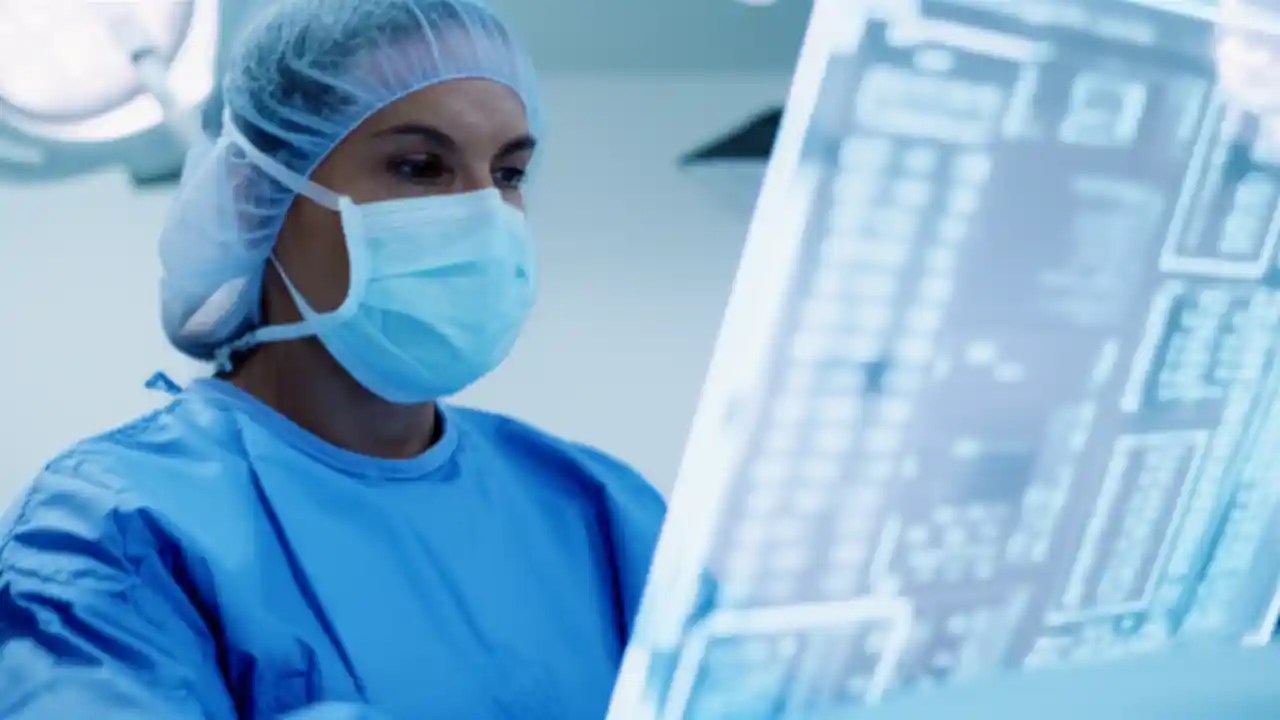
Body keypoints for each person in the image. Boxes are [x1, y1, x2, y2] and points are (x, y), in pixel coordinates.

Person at [0, 1, 665, 717]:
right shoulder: (116, 529)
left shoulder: (596, 507)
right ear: (257, 197)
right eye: (419, 167)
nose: (482, 215)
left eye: (508, 174)